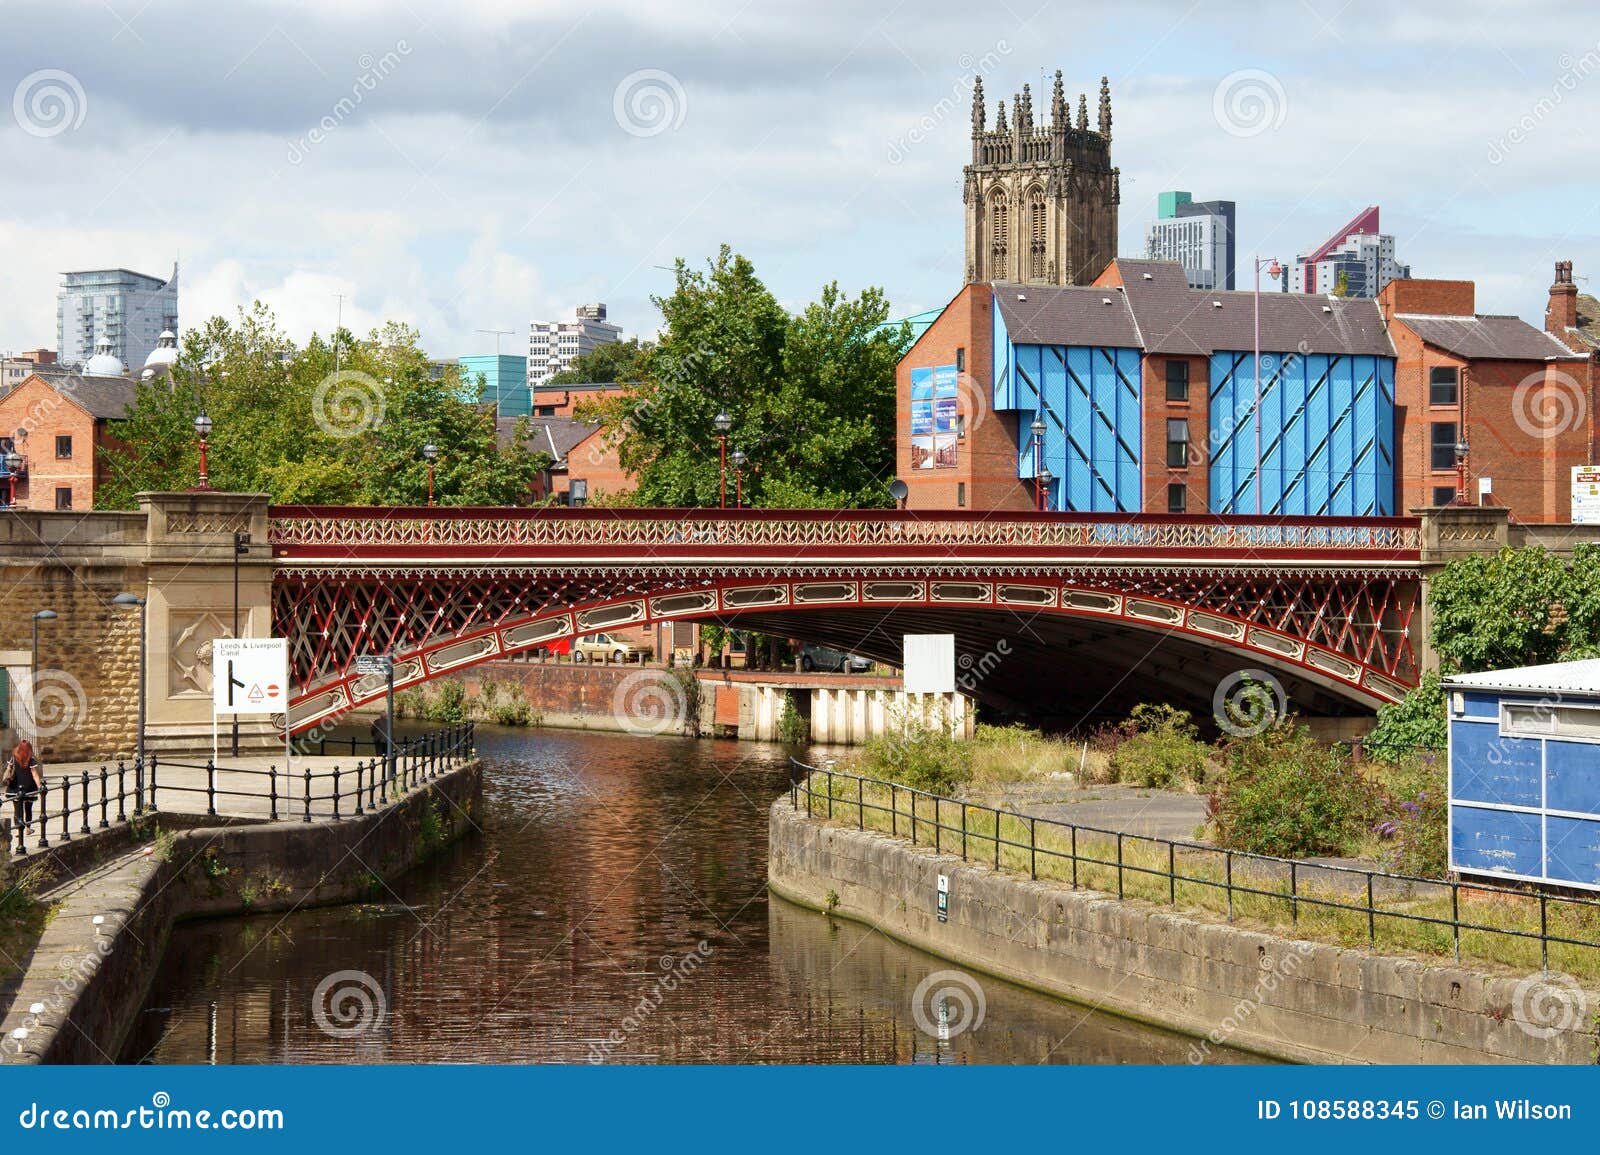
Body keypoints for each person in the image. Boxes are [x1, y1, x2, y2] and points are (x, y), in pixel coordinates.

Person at [6, 737, 42, 835]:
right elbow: (35, 774)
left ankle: (18, 830)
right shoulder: (31, 759)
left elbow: (9, 769)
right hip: (29, 787)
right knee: (28, 809)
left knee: (17, 810)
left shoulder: (13, 757)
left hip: (14, 787)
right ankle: (27, 829)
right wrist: (39, 787)